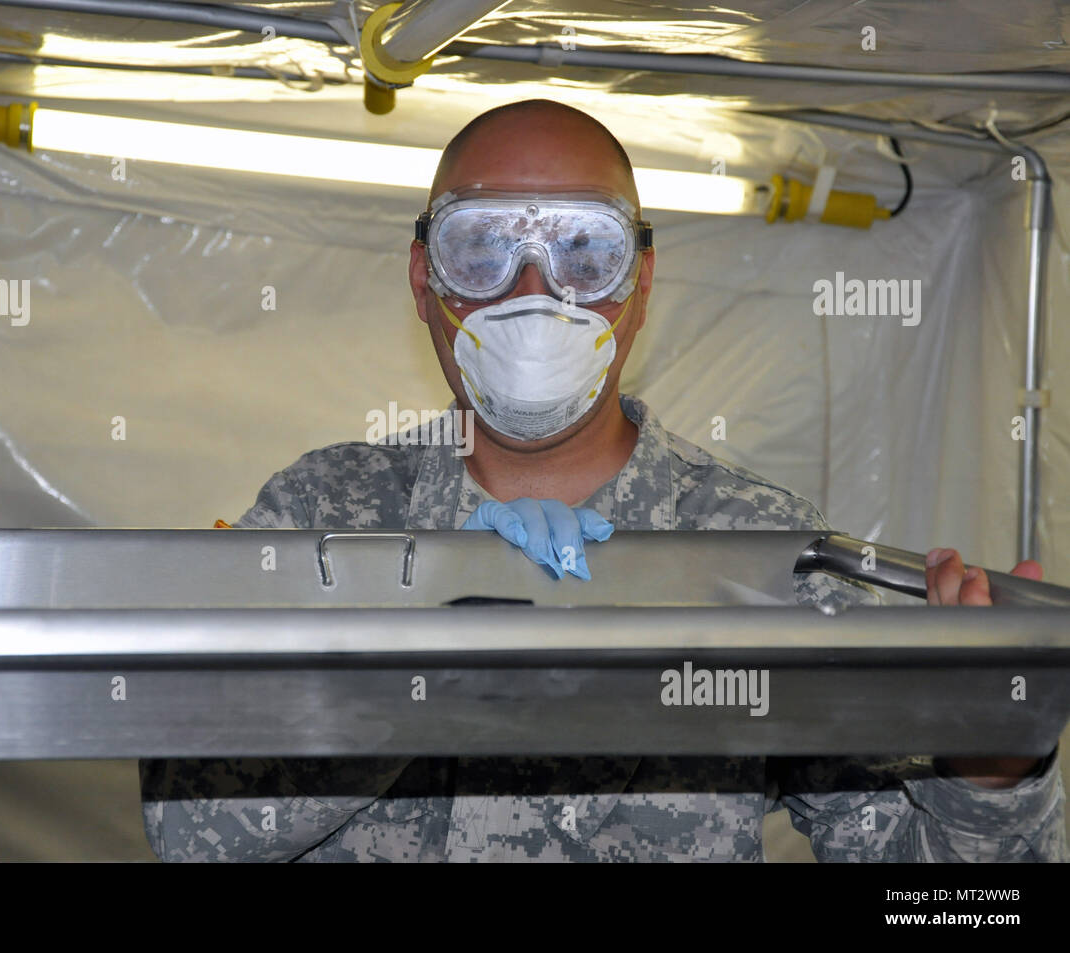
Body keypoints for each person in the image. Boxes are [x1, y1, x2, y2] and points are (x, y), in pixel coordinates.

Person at [139, 99, 1065, 862]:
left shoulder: (758, 551)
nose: (534, 289)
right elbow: (190, 834)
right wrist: (420, 659)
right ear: (425, 279)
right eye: (482, 247)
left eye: (585, 251)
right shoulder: (319, 518)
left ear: (642, 281)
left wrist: (987, 771)